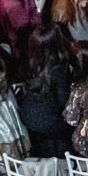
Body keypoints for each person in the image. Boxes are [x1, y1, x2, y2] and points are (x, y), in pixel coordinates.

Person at [17, 25, 72, 157]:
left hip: (28, 117)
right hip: (50, 122)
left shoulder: (29, 62)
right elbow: (63, 102)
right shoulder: (58, 69)